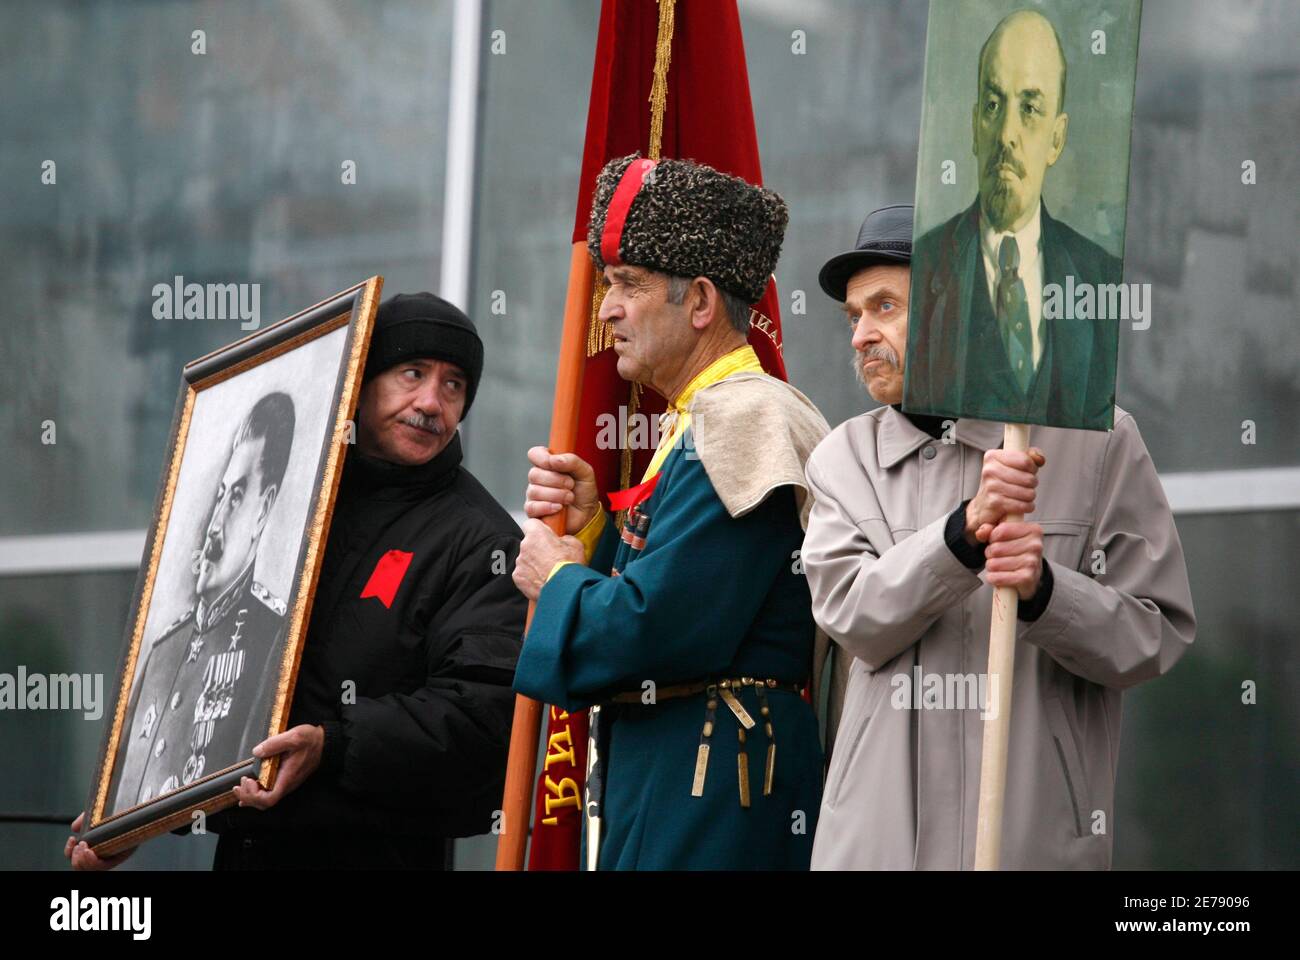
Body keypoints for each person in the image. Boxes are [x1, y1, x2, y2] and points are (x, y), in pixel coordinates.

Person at [68, 292, 527, 870]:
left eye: (454, 385)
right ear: (360, 380)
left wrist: (335, 745)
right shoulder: (310, 501)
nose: (431, 403)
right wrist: (136, 813)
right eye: (412, 373)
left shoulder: (482, 541)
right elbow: (231, 709)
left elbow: (485, 727)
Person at [805, 203, 1195, 869]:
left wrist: (1046, 594)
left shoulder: (1096, 441)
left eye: (883, 308)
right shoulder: (841, 460)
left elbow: (1154, 635)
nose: (859, 335)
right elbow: (854, 617)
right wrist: (960, 536)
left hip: (1033, 844)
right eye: (853, 316)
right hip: (877, 849)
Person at [511, 154, 829, 870]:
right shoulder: (710, 418)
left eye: (628, 285)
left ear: (701, 303)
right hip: (693, 769)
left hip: (715, 779)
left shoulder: (743, 419)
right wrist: (595, 533)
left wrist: (555, 580)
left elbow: (660, 630)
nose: (606, 310)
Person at [908, 8, 1122, 431]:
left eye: (1029, 108)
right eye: (993, 104)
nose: (1007, 133)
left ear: (1056, 139)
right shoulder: (923, 268)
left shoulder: (1101, 277)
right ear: (974, 127)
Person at [110, 391, 294, 813]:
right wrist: (109, 823)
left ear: (263, 510)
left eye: (236, 498)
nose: (215, 524)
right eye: (221, 494)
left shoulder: (274, 641)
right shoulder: (161, 651)